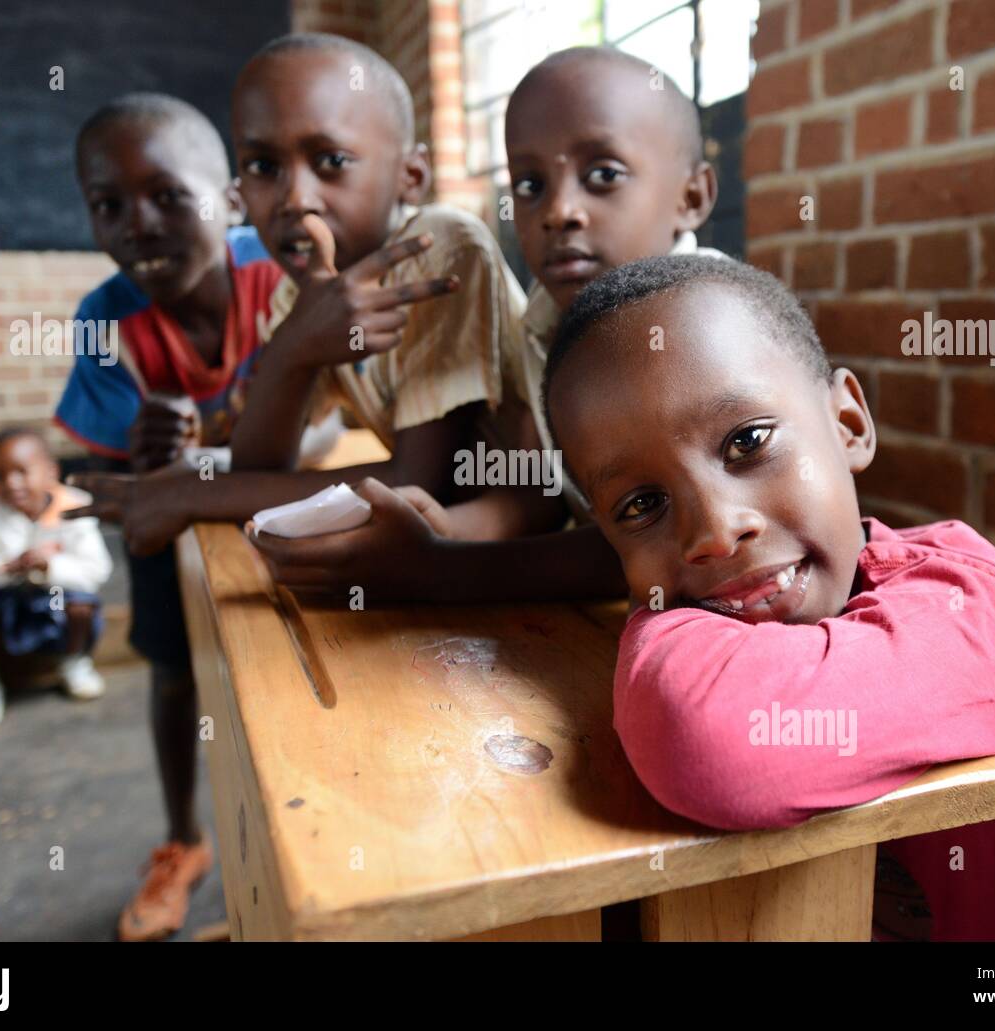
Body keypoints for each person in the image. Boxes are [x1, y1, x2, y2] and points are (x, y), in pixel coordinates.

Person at [538, 253, 995, 942]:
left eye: (747, 442)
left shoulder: (961, 608)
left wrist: (651, 613)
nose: (715, 530)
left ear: (849, 424)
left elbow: (705, 741)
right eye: (643, 504)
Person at [247, 47, 726, 602]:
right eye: (529, 185)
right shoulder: (547, 323)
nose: (558, 211)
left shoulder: (704, 326)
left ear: (692, 198)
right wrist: (442, 532)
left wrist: (438, 568)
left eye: (603, 175)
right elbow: (539, 492)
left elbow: (669, 542)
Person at [68, 33, 526, 556]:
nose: (295, 199)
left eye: (331, 161)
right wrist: (290, 351)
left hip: (546, 528)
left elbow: (425, 481)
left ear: (411, 175)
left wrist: (192, 493)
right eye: (264, 166)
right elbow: (260, 467)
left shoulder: (440, 247)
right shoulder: (298, 295)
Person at [54, 92, 325, 941]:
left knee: (305, 669)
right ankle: (184, 839)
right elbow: (116, 498)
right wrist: (147, 454)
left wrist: (205, 455)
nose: (139, 223)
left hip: (282, 511)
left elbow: (332, 425)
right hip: (173, 532)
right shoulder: (105, 321)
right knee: (174, 671)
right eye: (109, 205)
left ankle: (312, 844)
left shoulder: (280, 275)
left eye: (169, 195)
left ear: (231, 201)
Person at [0, 429, 113, 730]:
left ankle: (74, 662)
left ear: (51, 471)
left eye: (22, 472)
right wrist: (4, 568)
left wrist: (50, 566)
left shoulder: (74, 508)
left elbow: (97, 571)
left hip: (55, 598)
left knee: (81, 606)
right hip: (8, 601)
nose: (11, 484)